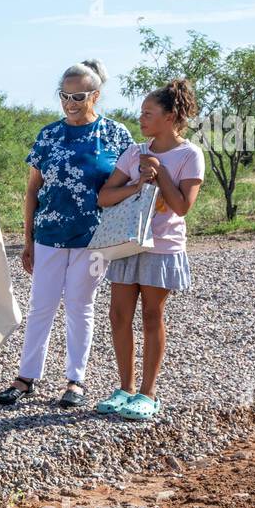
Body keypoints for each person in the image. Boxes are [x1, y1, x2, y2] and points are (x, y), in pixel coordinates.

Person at [0, 60, 135, 408]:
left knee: (80, 306)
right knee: (40, 306)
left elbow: (131, 184)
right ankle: (25, 378)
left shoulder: (116, 135)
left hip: (95, 239)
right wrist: (27, 240)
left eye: (78, 96)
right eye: (64, 96)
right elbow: (32, 191)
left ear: (95, 96)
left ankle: (76, 381)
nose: (70, 103)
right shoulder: (49, 134)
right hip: (49, 236)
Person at [94, 78, 204, 421]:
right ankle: (124, 389)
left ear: (170, 117)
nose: (140, 119)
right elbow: (104, 196)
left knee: (152, 316)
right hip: (127, 243)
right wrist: (137, 182)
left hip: (163, 247)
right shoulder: (134, 152)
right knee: (118, 315)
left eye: (148, 113)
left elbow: (182, 206)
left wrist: (160, 174)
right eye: (141, 113)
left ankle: (148, 393)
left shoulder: (190, 155)